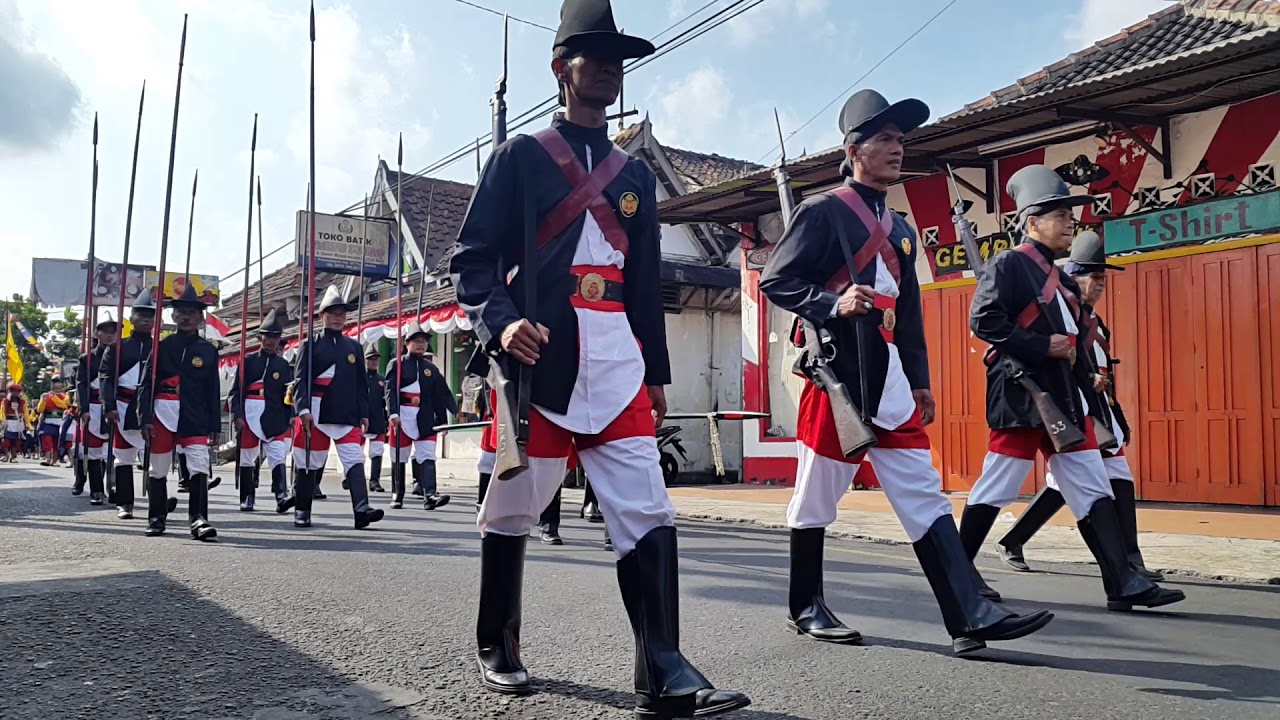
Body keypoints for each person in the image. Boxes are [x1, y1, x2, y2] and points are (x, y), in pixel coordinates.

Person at [451, 1, 750, 715]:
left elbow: (644, 283)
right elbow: (473, 261)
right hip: (543, 355)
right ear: (561, 68)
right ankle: (497, 642)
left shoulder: (634, 176)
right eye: (598, 55)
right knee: (515, 506)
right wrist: (502, 326)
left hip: (617, 357)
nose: (612, 68)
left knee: (647, 508)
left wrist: (657, 376)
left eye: (620, 58)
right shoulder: (520, 158)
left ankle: (664, 668)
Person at [759, 88, 1055, 654]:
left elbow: (911, 312)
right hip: (840, 373)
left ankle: (968, 614)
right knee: (817, 493)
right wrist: (832, 304)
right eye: (885, 139)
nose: (897, 148)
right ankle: (805, 605)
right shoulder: (822, 211)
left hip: (890, 372)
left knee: (923, 492)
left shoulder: (899, 227)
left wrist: (920, 380)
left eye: (900, 139)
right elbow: (777, 279)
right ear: (854, 151)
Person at [961, 165, 1185, 612]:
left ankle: (1122, 581)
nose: (1070, 223)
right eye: (1059, 215)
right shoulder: (1009, 264)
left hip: (1064, 399)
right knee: (998, 485)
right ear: (1032, 222)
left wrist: (1093, 400)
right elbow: (983, 320)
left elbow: (1077, 347)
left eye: (1069, 215)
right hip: (1025, 396)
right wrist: (1041, 345)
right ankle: (956, 572)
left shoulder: (1062, 280)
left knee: (1091, 485)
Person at [995, 231, 1162, 580]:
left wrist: (1114, 413)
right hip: (1068, 405)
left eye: (1103, 279)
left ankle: (1131, 563)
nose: (1099, 285)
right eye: (1093, 277)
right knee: (1067, 483)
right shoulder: (1059, 315)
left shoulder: (1096, 323)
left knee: (1113, 477)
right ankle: (1013, 541)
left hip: (1099, 409)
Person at [291, 284, 382, 530]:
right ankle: (302, 510)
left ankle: (361, 510)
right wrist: (303, 410)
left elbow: (361, 385)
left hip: (346, 413)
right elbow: (300, 381)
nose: (338, 317)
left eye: (342, 313)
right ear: (322, 315)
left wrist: (364, 413)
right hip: (316, 412)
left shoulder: (354, 347)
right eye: (333, 313)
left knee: (354, 459)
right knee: (309, 462)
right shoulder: (309, 345)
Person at [137, 284, 221, 540]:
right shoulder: (162, 346)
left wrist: (215, 425)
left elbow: (213, 390)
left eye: (191, 313)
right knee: (158, 468)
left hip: (196, 415)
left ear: (200, 318)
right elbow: (146, 384)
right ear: (173, 316)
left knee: (198, 466)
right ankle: (156, 517)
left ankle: (198, 519)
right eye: (181, 312)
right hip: (163, 411)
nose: (186, 317)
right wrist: (144, 418)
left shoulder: (208, 351)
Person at [101, 289, 176, 521]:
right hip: (124, 406)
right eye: (141, 315)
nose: (146, 319)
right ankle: (125, 502)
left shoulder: (163, 348)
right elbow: (106, 378)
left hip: (153, 407)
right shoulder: (117, 347)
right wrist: (109, 406)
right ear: (131, 318)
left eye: (151, 316)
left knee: (156, 458)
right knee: (124, 456)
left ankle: (158, 502)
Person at [230, 309, 294, 512]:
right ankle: (247, 497)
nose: (271, 341)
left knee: (277, 454)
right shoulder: (248, 361)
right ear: (260, 338)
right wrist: (237, 415)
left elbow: (288, 395)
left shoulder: (283, 365)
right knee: (247, 456)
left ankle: (281, 496)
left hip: (274, 412)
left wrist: (289, 416)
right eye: (268, 336)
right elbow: (235, 392)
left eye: (275, 337)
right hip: (250, 410)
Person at [386, 324, 455, 510]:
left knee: (427, 455)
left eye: (423, 341)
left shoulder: (431, 368)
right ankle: (397, 493)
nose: (420, 344)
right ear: (407, 343)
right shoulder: (396, 364)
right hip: (402, 415)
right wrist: (393, 413)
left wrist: (446, 418)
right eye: (416, 341)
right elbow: (390, 390)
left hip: (424, 416)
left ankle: (430, 494)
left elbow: (439, 395)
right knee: (399, 456)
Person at [74, 317, 118, 501]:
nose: (109, 335)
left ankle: (113, 489)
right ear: (97, 334)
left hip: (114, 407)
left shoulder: (120, 356)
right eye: (105, 331)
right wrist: (84, 409)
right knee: (92, 451)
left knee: (113, 451)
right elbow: (81, 385)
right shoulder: (87, 358)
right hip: (93, 407)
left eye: (113, 332)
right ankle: (96, 490)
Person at [362, 343, 388, 494]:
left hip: (377, 420)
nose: (374, 362)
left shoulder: (382, 380)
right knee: (355, 452)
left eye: (376, 359)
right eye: (371, 359)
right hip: (360, 419)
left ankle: (374, 480)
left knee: (377, 452)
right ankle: (351, 478)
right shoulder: (358, 378)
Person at [35, 378, 71, 466]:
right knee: (46, 440)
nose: (57, 390)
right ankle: (47, 459)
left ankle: (54, 461)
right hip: (48, 422)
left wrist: (54, 397)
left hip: (60, 423)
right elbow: (40, 410)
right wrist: (43, 400)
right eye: (55, 388)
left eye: (59, 388)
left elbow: (64, 405)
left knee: (56, 443)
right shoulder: (46, 396)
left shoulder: (65, 397)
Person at [2, 383, 29, 463]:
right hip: (8, 423)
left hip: (18, 424)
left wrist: (27, 424)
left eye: (17, 392)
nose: (15, 393)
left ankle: (13, 456)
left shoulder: (22, 401)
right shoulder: (5, 401)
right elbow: (2, 411)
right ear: (10, 392)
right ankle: (6, 455)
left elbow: (26, 413)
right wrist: (3, 421)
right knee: (6, 441)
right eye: (13, 391)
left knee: (16, 441)